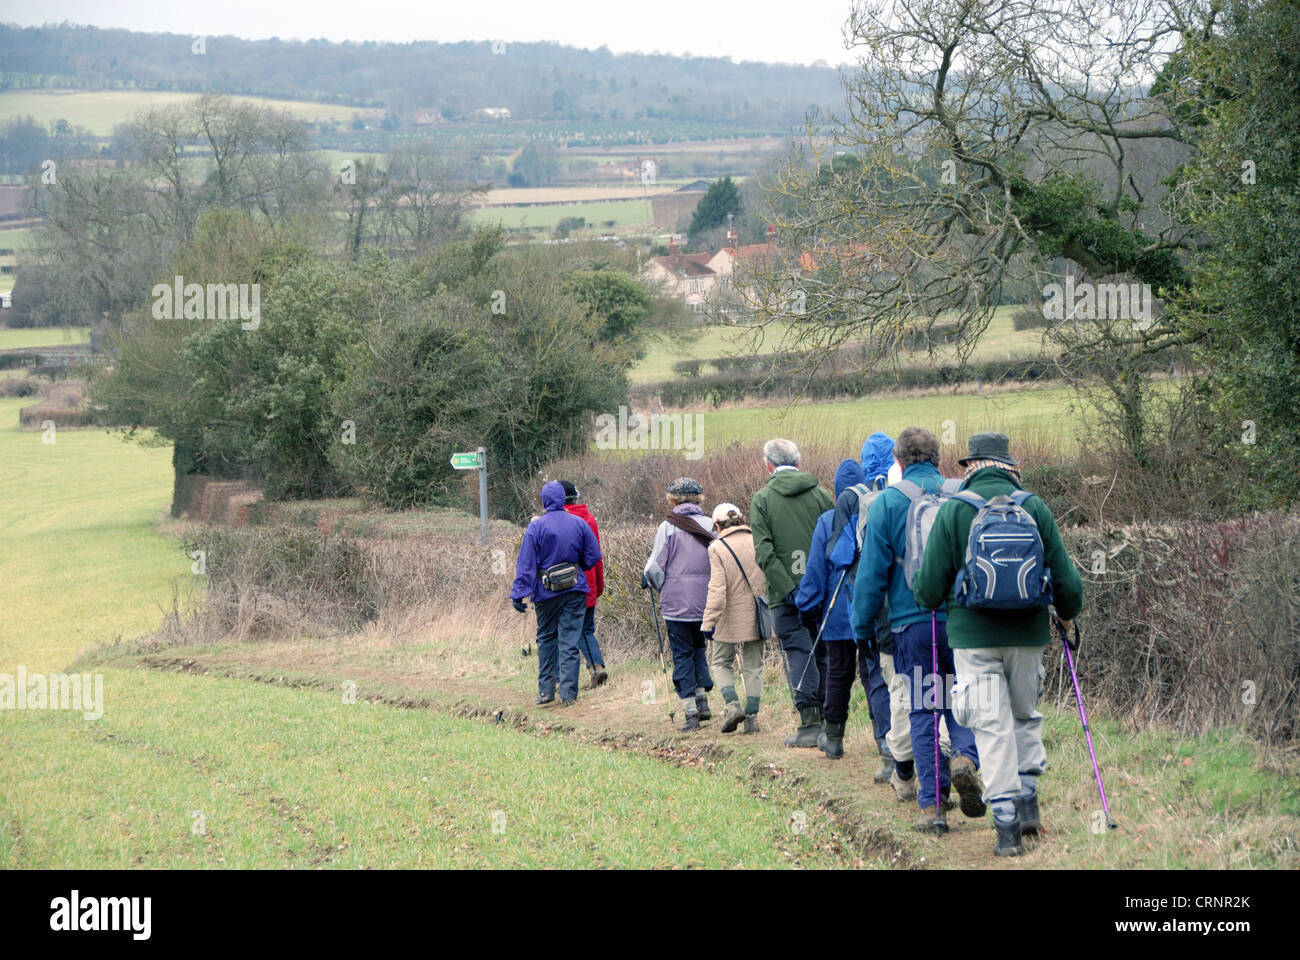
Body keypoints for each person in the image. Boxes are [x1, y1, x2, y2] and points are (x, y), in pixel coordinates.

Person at [914, 432, 1084, 857]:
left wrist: (939, 594)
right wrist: (1065, 617)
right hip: (1027, 636)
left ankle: (1006, 825)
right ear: (1009, 465)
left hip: (974, 639)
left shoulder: (953, 510)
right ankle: (1029, 806)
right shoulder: (1034, 507)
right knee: (1025, 714)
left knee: (990, 724)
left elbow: (929, 589)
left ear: (970, 466)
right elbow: (1068, 585)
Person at [853, 426, 982, 829]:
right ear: (939, 457)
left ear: (899, 461)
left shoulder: (888, 503)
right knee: (958, 696)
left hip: (914, 625)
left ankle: (932, 806)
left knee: (924, 709)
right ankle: (965, 756)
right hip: (961, 619)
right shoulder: (961, 495)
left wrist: (862, 628)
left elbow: (871, 577)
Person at [750, 438, 834, 748]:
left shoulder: (762, 499)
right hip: (823, 594)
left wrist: (787, 589)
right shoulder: (822, 495)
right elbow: (834, 543)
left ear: (768, 465)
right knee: (823, 652)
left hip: (784, 597)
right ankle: (829, 722)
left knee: (798, 653)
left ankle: (810, 723)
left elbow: (764, 552)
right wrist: (817, 586)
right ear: (798, 463)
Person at [795, 457, 878, 760]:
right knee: (873, 675)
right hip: (870, 609)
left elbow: (814, 571)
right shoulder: (878, 511)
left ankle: (834, 738)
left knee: (838, 673)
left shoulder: (828, 521)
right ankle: (884, 740)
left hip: (836, 615)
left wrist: (806, 609)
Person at [510, 480, 602, 707]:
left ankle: (546, 692)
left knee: (546, 640)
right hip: (575, 591)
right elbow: (593, 556)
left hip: (546, 593)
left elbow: (526, 564)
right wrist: (575, 567)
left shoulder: (536, 527)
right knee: (569, 641)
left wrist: (519, 593)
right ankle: (569, 696)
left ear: (544, 501)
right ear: (563, 498)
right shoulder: (579, 523)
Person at [643, 477, 716, 731]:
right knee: (699, 648)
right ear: (699, 499)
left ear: (672, 500)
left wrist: (653, 583)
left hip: (676, 605)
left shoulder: (667, 527)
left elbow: (654, 568)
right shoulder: (711, 525)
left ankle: (691, 713)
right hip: (707, 601)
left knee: (682, 653)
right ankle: (703, 701)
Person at [701, 502, 767, 734]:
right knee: (753, 667)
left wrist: (708, 621)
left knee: (720, 661)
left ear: (717, 525)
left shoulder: (717, 548)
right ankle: (752, 719)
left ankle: (732, 706)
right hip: (759, 614)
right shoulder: (757, 540)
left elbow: (717, 590)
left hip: (729, 616)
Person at [560, 480, 608, 689]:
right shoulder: (589, 518)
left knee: (570, 631)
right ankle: (597, 666)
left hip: (567, 584)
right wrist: (599, 584)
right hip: (589, 582)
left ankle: (590, 670)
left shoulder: (559, 520)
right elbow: (597, 556)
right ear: (576, 497)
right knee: (586, 629)